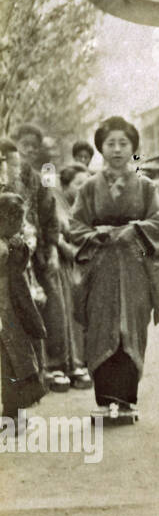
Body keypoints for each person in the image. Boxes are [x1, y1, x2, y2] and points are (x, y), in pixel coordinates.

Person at [67, 117, 159, 421]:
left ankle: (126, 401)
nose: (117, 149)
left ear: (133, 147)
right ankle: (104, 403)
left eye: (123, 143)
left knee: (132, 327)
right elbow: (75, 225)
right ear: (101, 147)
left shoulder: (146, 186)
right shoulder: (88, 187)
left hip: (135, 263)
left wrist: (136, 229)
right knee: (100, 326)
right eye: (110, 143)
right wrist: (94, 235)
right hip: (100, 265)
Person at [12, 124, 66, 393]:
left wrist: (53, 249)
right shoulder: (7, 179)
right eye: (24, 145)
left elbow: (50, 216)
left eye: (34, 146)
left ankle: (56, 364)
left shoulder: (40, 179)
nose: (29, 150)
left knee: (53, 299)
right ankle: (29, 369)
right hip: (14, 254)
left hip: (40, 251)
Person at [0, 192, 47, 418]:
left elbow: (20, 264)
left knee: (13, 360)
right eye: (14, 221)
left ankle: (13, 414)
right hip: (7, 306)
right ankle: (12, 413)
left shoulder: (14, 244)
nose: (18, 226)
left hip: (10, 307)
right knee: (11, 359)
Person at [55, 165, 93, 390]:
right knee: (73, 309)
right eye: (78, 184)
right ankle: (73, 362)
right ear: (67, 185)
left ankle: (86, 359)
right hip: (66, 262)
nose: (82, 189)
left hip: (83, 259)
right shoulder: (58, 203)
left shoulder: (85, 204)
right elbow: (59, 238)